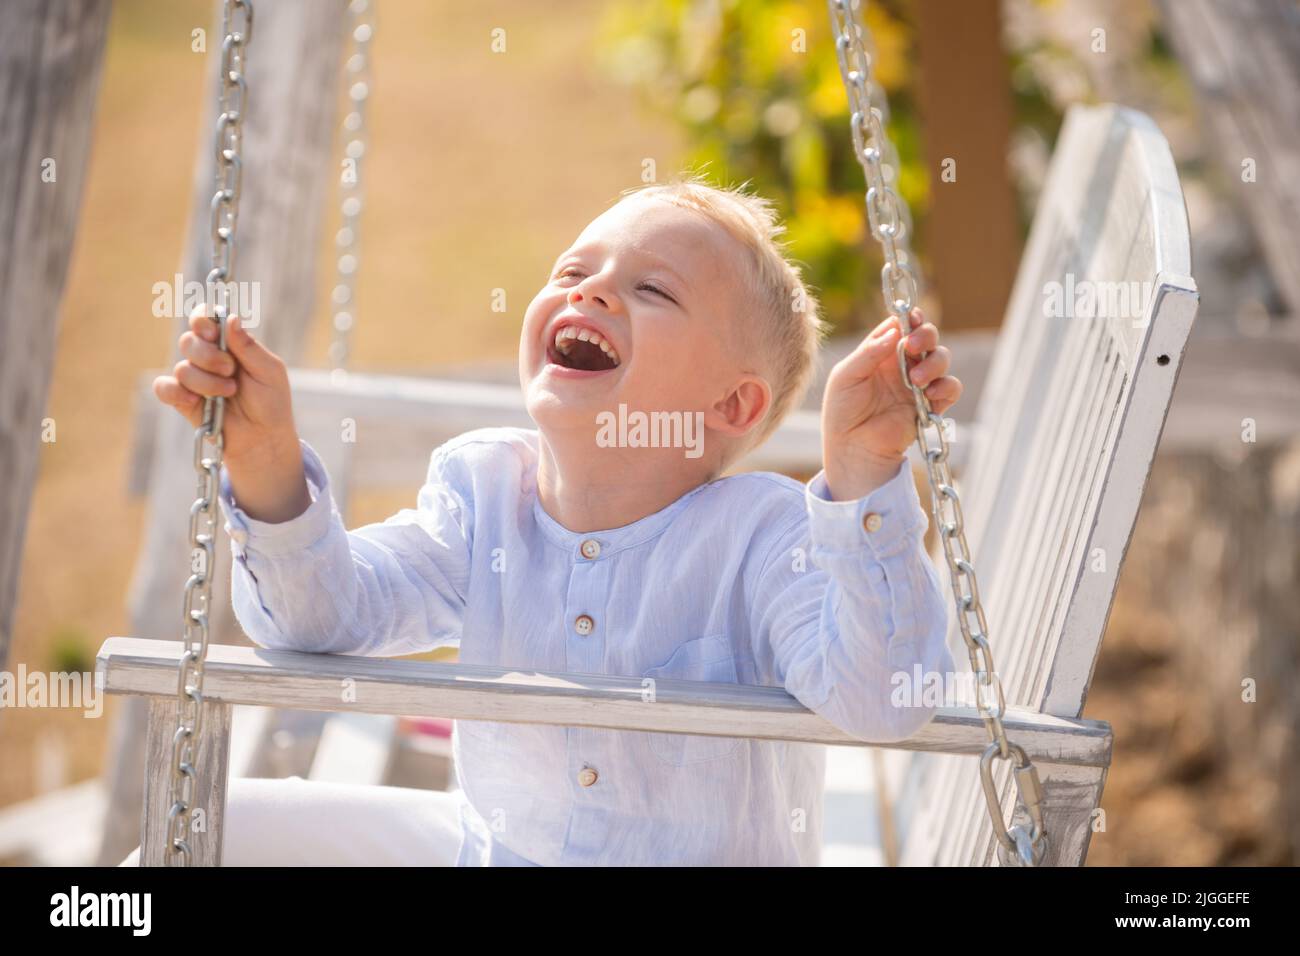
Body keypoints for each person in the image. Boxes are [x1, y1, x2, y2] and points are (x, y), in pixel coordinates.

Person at [138, 174, 962, 866]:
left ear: (731, 404)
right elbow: (323, 621)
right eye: (573, 270)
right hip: (497, 850)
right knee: (199, 831)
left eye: (651, 290)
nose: (591, 290)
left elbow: (883, 698)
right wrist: (268, 466)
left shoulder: (761, 537)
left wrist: (862, 478)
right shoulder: (484, 492)